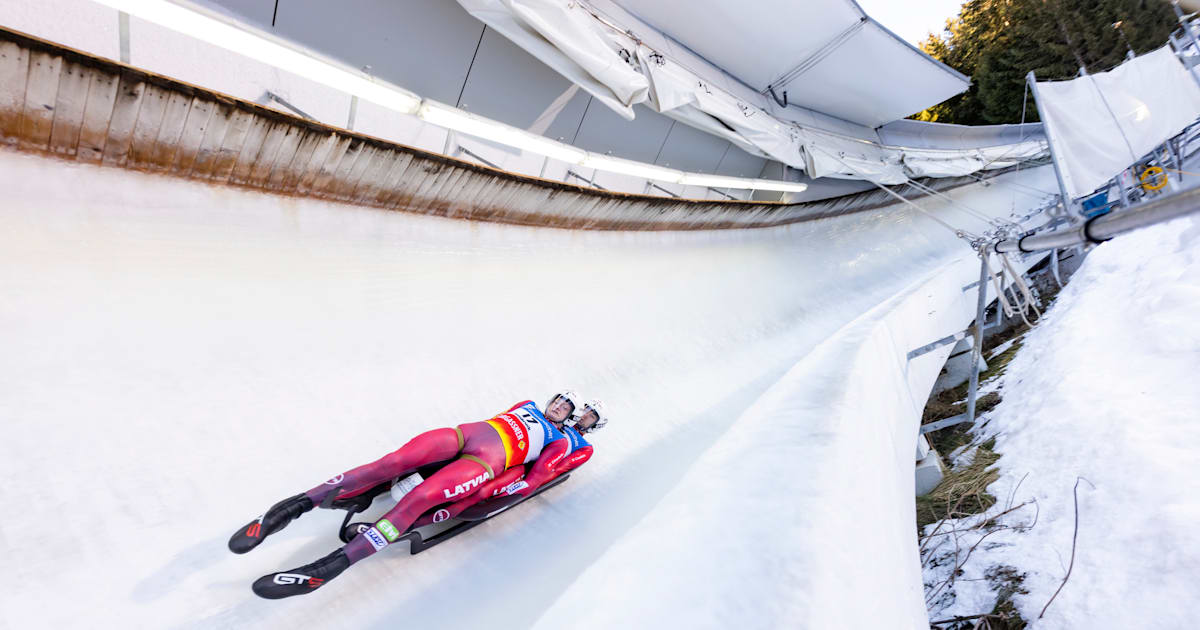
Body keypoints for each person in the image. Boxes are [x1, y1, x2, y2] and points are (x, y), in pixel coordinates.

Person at [228, 391, 606, 599]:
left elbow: (531, 477)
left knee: (421, 498)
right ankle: (289, 510)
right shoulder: (525, 405)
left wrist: (493, 495)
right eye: (559, 401)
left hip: (484, 462)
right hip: (464, 435)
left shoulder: (561, 440)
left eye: (568, 409)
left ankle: (326, 570)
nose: (559, 408)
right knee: (391, 461)